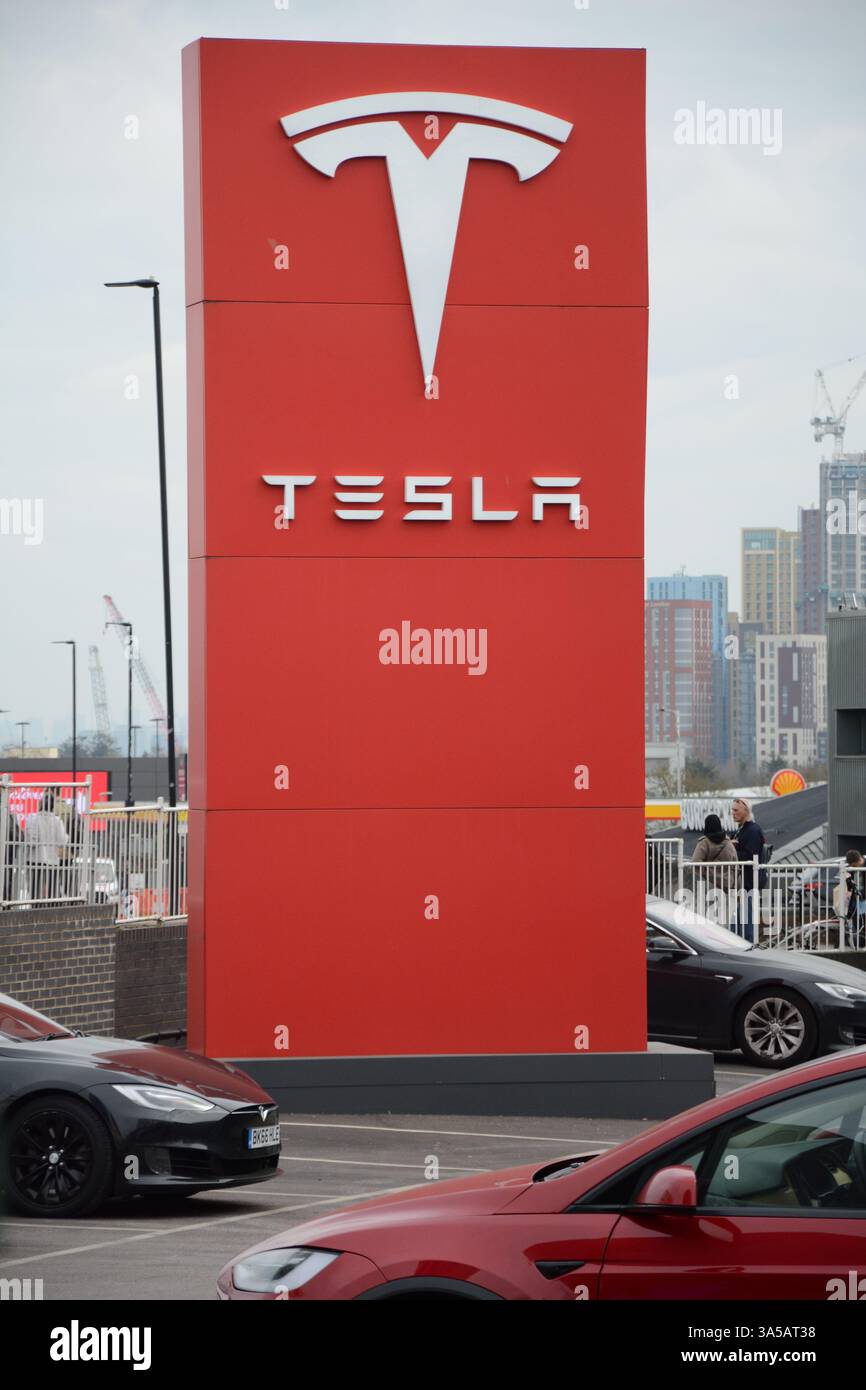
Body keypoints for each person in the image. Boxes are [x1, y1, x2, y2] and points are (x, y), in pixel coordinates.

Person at [23, 789, 69, 901]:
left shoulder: (32, 818)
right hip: (52, 860)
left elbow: (28, 840)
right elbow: (63, 841)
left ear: (40, 804)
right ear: (53, 806)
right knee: (53, 888)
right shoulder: (57, 821)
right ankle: (51, 909)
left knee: (34, 888)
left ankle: (34, 907)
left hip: (34, 859)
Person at [731, 797, 765, 943]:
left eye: (736, 810)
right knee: (738, 923)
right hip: (743, 883)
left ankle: (748, 950)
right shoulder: (742, 829)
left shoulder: (753, 830)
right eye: (732, 810)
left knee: (745, 923)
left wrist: (731, 850)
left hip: (750, 883)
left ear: (746, 810)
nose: (733, 813)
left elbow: (751, 856)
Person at [834, 850, 866, 949]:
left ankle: (860, 945)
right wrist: (849, 891)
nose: (851, 867)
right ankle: (856, 945)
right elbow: (850, 882)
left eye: (852, 865)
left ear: (856, 861)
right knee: (854, 922)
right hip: (857, 900)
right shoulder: (854, 869)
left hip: (862, 899)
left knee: (860, 923)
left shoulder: (863, 868)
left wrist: (859, 894)